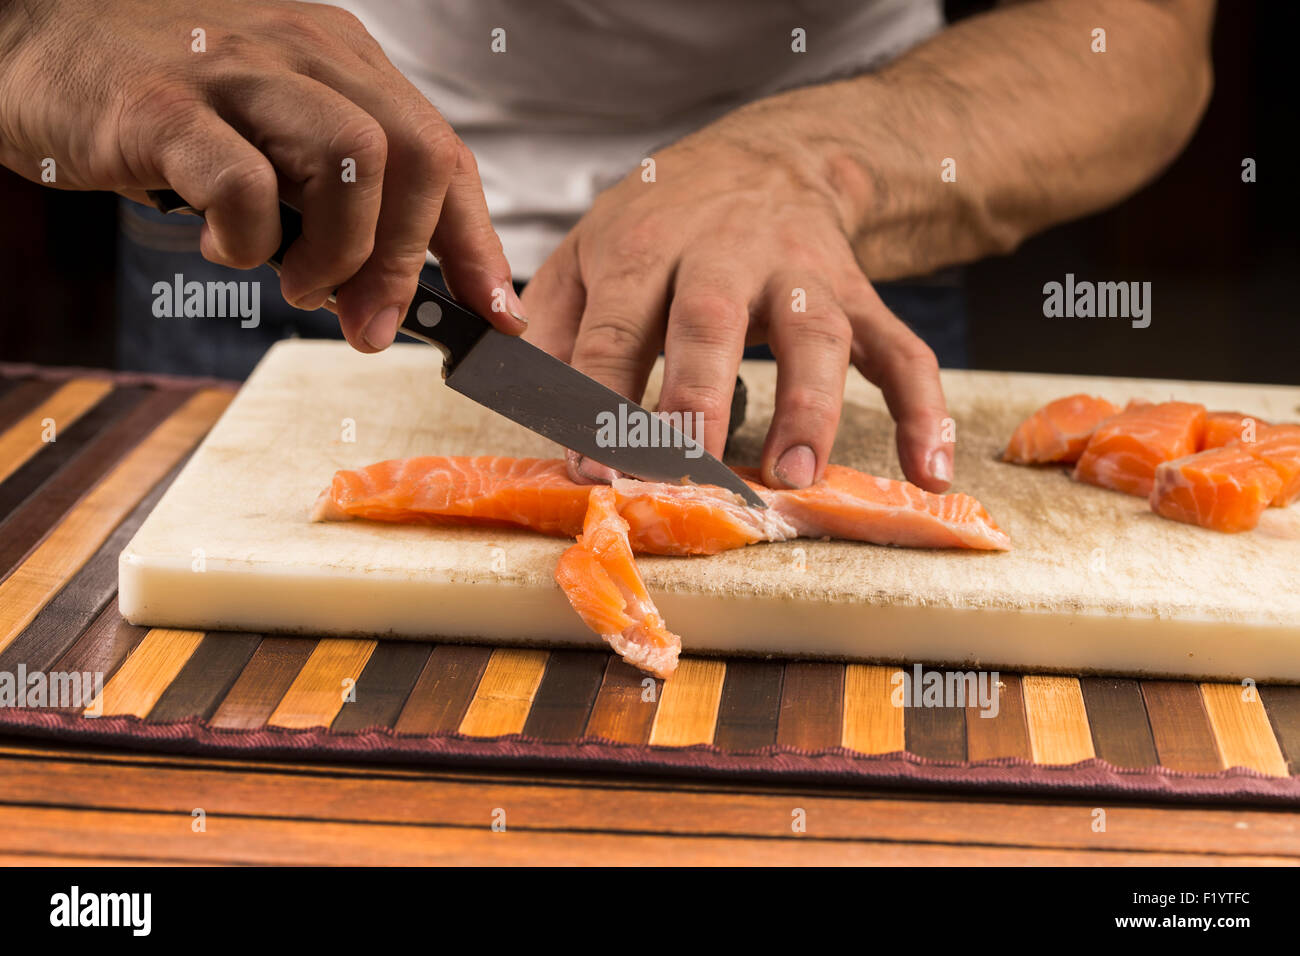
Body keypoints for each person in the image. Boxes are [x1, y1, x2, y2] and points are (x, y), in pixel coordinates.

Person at [0, 0, 1214, 492]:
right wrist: (33, 27)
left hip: (819, 248)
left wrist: (817, 164)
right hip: (283, 203)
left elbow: (1145, 31)